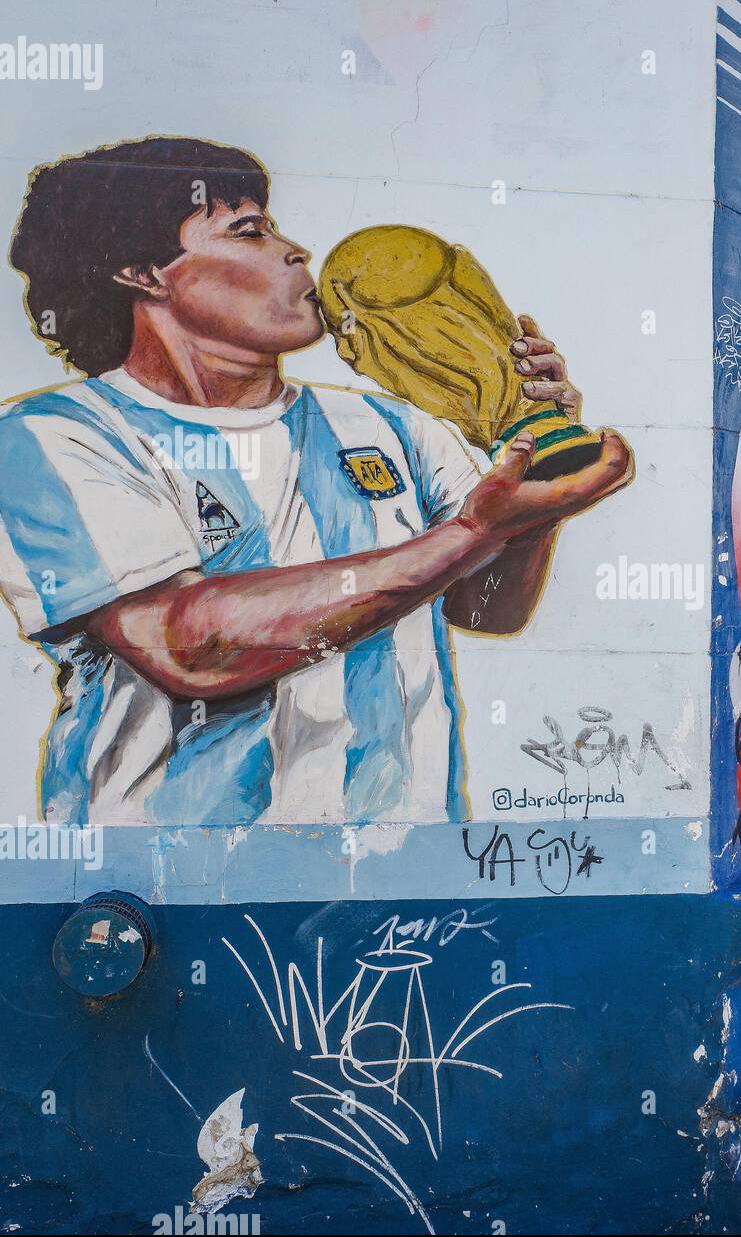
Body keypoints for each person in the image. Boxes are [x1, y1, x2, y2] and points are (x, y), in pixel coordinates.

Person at [0, 136, 631, 826]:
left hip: (401, 865)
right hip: (171, 880)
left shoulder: (390, 424)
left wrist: (538, 467)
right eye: (249, 231)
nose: (295, 251)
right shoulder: (57, 435)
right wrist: (473, 531)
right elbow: (189, 645)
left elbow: (487, 610)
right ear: (144, 272)